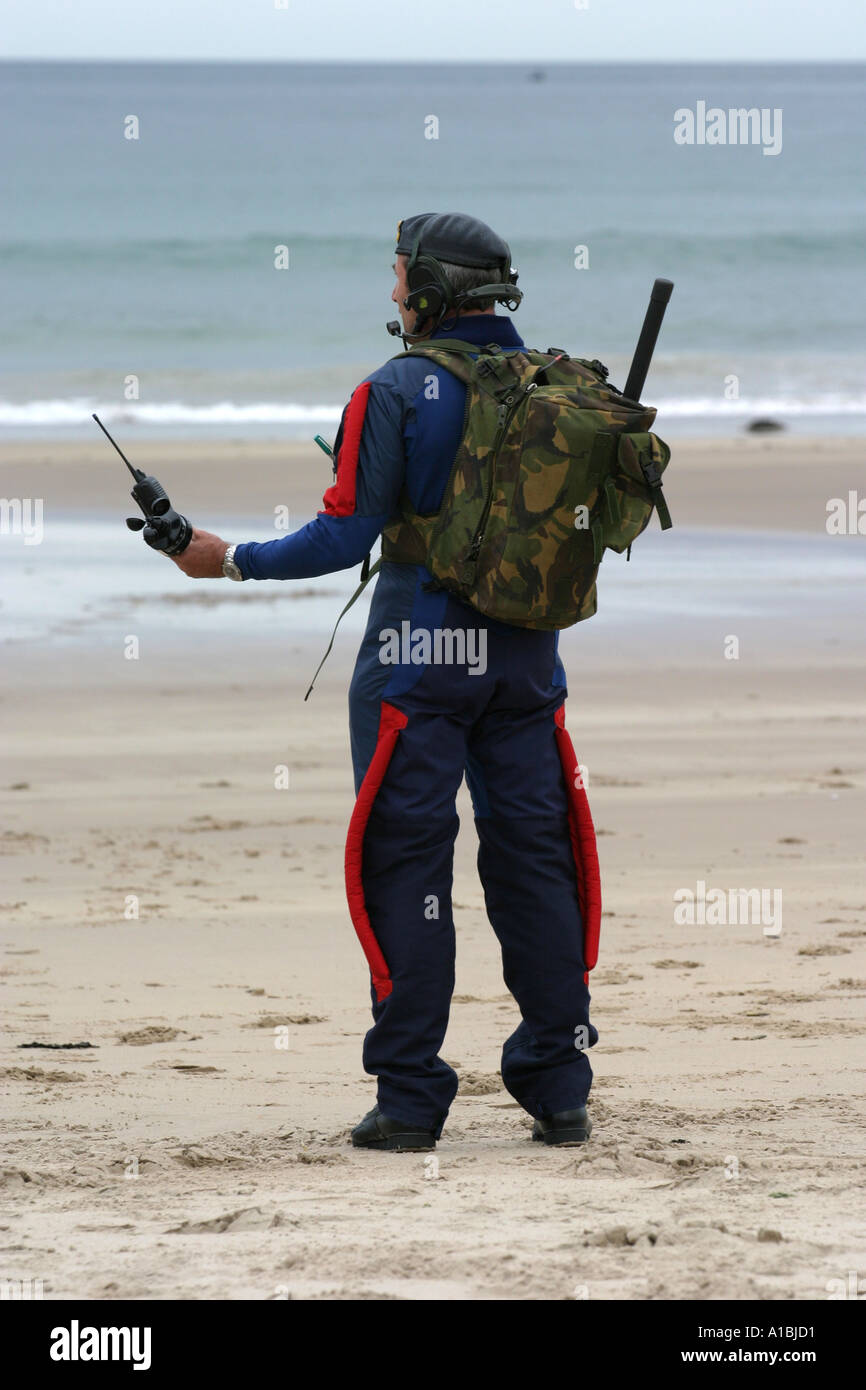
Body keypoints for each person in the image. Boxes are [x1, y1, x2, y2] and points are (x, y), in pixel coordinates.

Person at [170, 212, 599, 1151]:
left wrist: (229, 558)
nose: (392, 294)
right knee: (535, 858)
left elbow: (341, 536)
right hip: (529, 662)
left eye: (399, 277)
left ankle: (410, 1100)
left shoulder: (394, 389)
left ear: (434, 289)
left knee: (407, 863)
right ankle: (559, 1084)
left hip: (419, 662)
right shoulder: (561, 388)